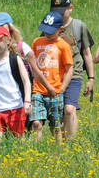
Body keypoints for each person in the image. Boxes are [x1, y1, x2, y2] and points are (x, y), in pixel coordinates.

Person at [48, 0, 95, 140]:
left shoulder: (79, 26)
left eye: (62, 11)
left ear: (71, 8)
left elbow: (87, 54)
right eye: (56, 12)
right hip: (55, 75)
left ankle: (71, 144)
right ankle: (61, 144)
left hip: (74, 73)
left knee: (69, 109)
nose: (60, 15)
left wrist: (91, 78)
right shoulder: (48, 24)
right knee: (57, 112)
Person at [30, 10, 72, 142]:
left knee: (56, 126)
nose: (47, 33)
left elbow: (70, 68)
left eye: (51, 31)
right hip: (38, 90)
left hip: (55, 91)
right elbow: (33, 65)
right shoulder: (37, 42)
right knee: (36, 123)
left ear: (60, 29)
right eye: (45, 30)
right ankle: (36, 150)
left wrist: (62, 89)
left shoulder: (63, 46)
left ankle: (59, 151)